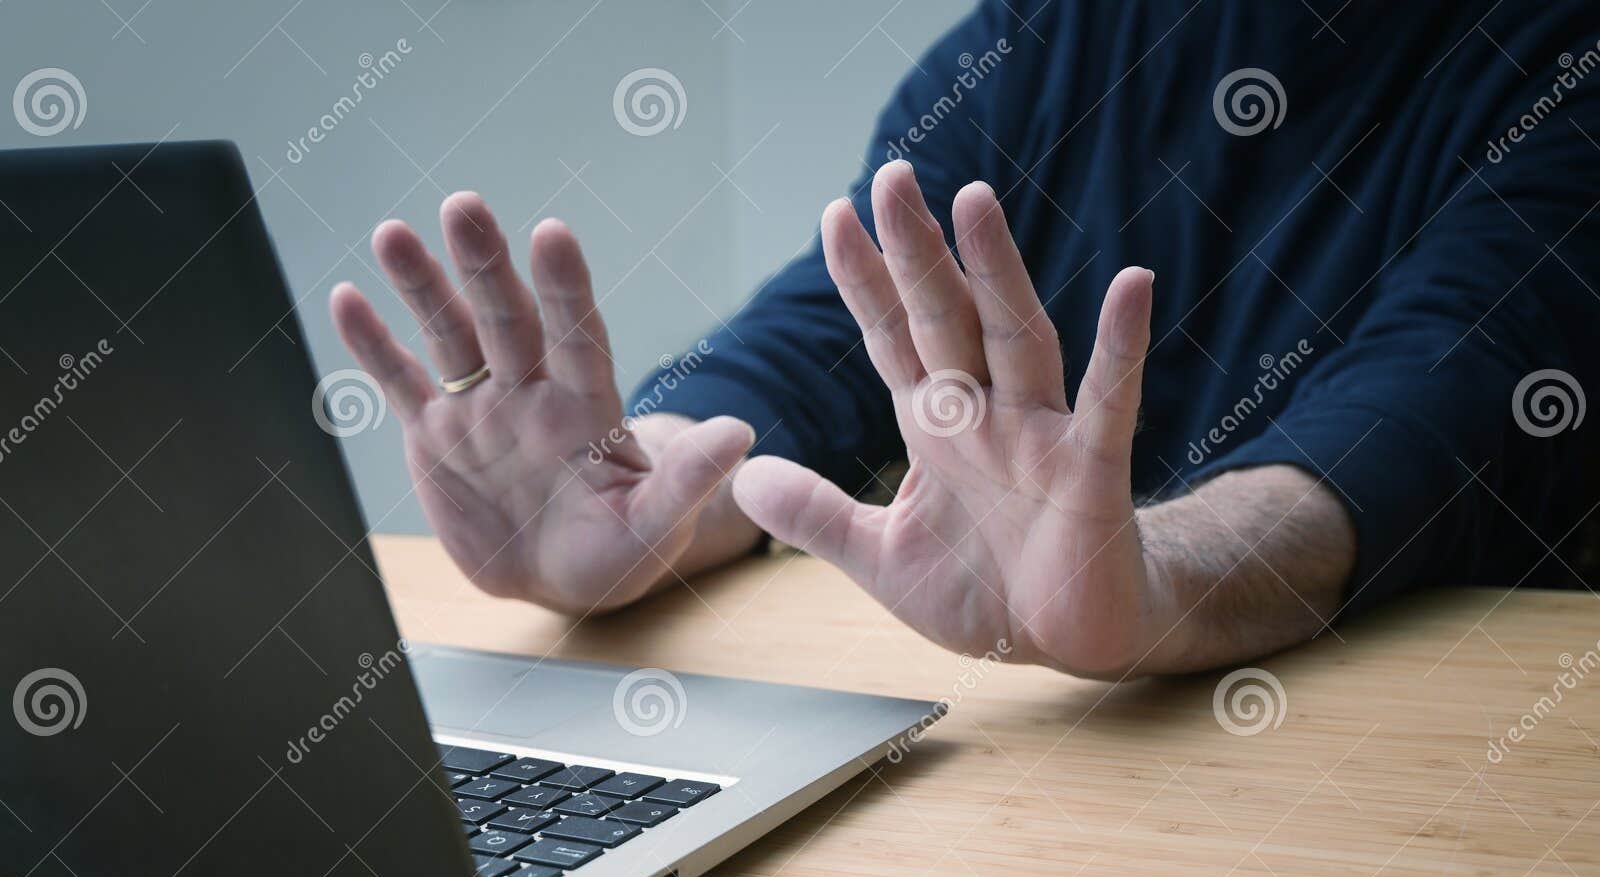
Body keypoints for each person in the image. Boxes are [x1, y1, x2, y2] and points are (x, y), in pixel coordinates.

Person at [330, 1, 1600, 679]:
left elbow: (1408, 443)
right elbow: (848, 318)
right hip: (1064, 796)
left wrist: (1151, 578)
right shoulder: (1067, 28)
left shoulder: (1558, 65)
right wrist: (634, 474)